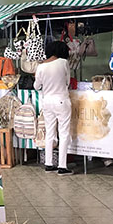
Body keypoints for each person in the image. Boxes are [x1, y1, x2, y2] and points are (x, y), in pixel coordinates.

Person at [34, 40, 72, 175]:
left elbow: (36, 86)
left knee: (50, 133)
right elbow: (67, 82)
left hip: (47, 102)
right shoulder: (63, 63)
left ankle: (49, 164)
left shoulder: (40, 66)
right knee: (64, 133)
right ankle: (62, 166)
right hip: (61, 100)